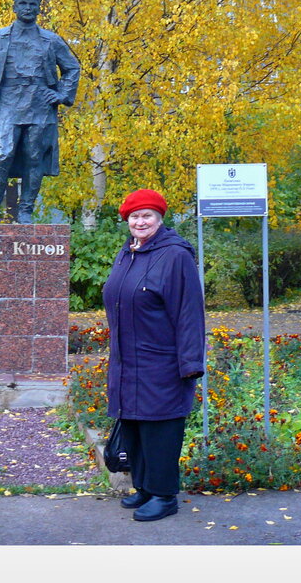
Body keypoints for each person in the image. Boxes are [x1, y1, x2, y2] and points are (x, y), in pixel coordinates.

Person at [102, 188, 206, 521]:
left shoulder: (175, 256)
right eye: (134, 216)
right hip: (128, 359)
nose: (140, 221)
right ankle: (144, 488)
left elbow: (189, 311)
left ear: (160, 219)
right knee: (134, 425)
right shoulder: (128, 253)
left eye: (147, 215)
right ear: (127, 221)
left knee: (160, 428)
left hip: (162, 361)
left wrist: (189, 363)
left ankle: (164, 495)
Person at [0, 0, 81, 224]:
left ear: (39, 7)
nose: (28, 7)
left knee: (34, 157)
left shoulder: (51, 40)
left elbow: (72, 68)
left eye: (33, 3)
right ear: (14, 6)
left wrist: (62, 95)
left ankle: (25, 212)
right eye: (23, 2)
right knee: (1, 155)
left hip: (39, 105)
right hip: (6, 104)